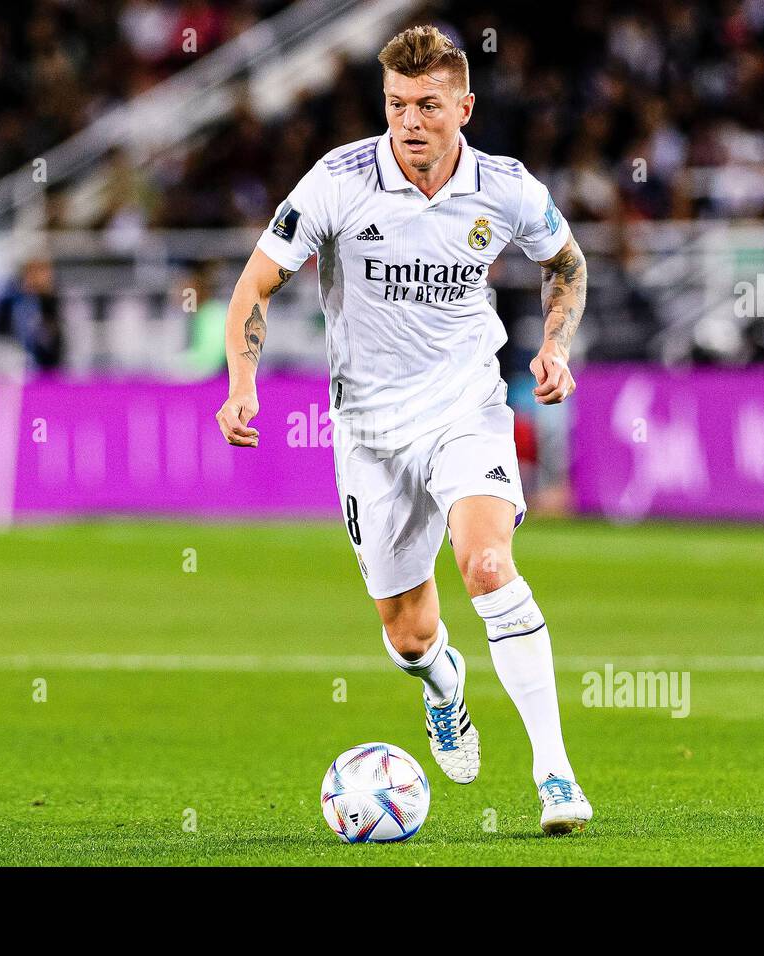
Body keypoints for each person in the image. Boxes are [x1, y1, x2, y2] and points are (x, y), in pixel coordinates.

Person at [214, 25, 591, 835]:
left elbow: (566, 262)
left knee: (487, 565)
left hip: (466, 410)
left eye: (427, 104)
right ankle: (446, 689)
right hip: (370, 431)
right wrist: (242, 383)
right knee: (410, 631)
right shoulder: (338, 181)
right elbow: (253, 288)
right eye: (394, 104)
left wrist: (555, 346)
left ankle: (555, 775)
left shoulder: (505, 186)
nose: (409, 122)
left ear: (465, 105)